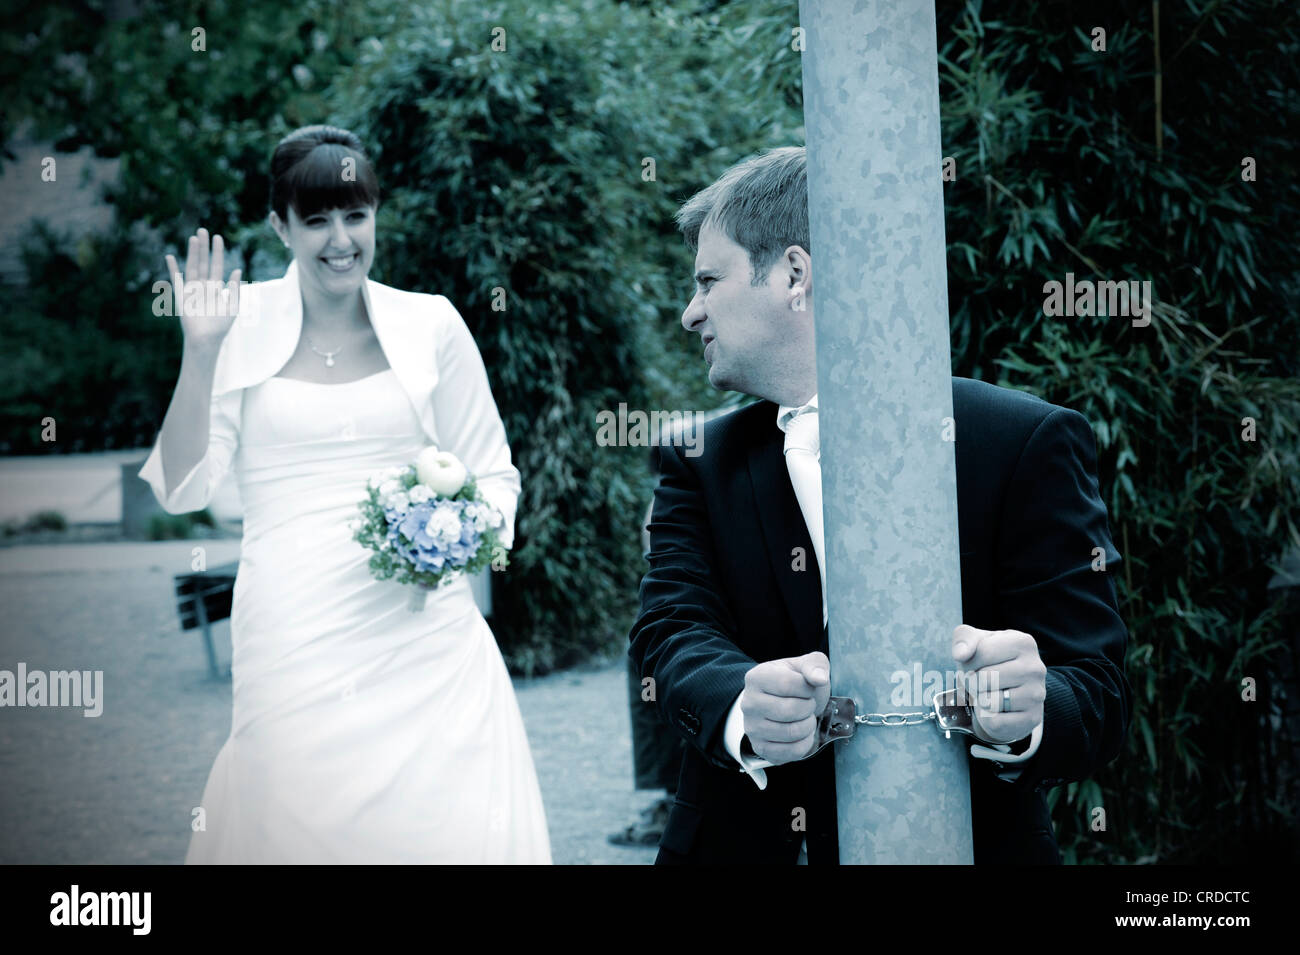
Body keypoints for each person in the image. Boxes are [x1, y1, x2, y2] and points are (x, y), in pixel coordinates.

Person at [628, 146, 1131, 864]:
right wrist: (740, 701)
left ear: (795, 275)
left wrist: (1033, 703)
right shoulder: (697, 461)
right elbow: (669, 632)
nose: (690, 312)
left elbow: (1101, 690)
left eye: (709, 280)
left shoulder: (1021, 441)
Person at [140, 125, 551, 864]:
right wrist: (199, 353)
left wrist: (458, 537)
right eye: (317, 219)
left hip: (425, 635)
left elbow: (495, 476)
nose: (340, 239)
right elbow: (181, 487)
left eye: (355, 214)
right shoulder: (236, 325)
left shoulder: (432, 324)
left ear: (376, 214)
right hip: (292, 635)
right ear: (280, 226)